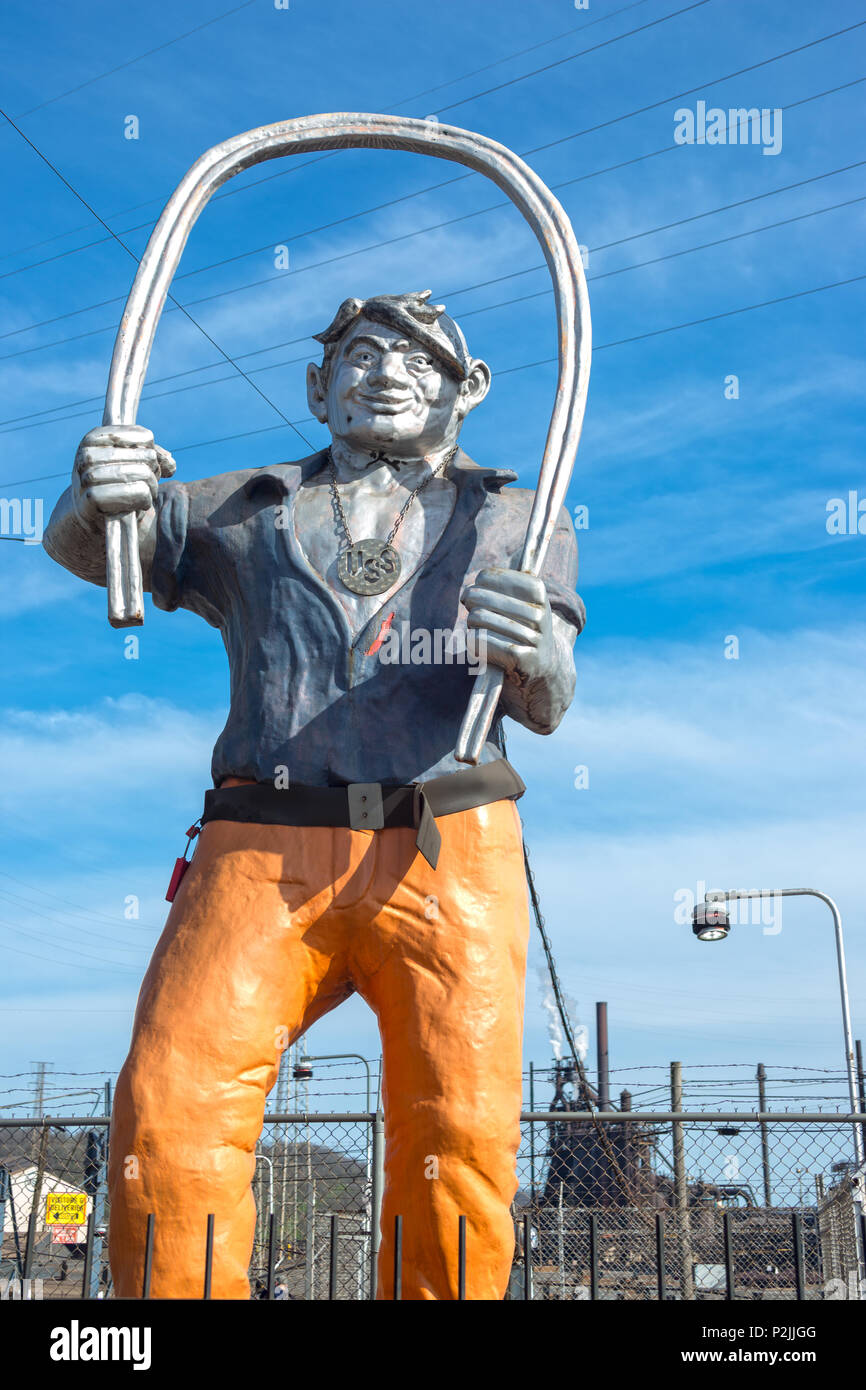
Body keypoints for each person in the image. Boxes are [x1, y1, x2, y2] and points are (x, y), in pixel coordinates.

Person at [44, 290, 584, 1300]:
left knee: (458, 1133)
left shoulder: (517, 514)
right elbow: (91, 547)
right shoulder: (242, 507)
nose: (385, 370)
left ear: (465, 391)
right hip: (259, 848)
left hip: (447, 842)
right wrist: (89, 495)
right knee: (168, 1108)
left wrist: (538, 654)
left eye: (417, 358)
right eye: (359, 353)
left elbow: (546, 702)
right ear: (315, 387)